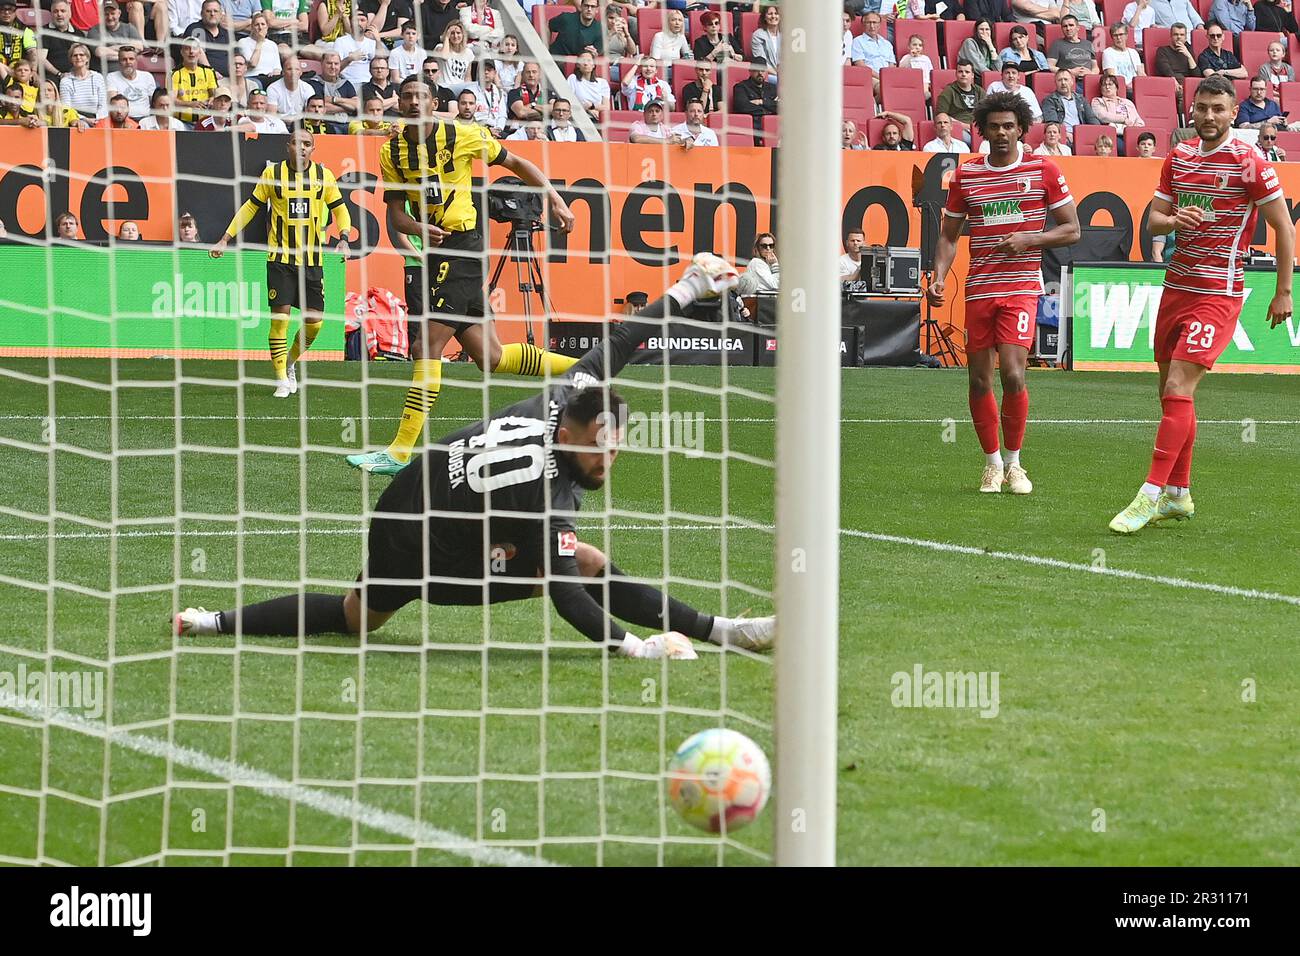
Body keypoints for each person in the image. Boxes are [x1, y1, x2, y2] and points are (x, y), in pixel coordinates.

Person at [177, 255, 776, 661]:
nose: (606, 463)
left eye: (614, 450)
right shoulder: (550, 498)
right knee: (576, 564)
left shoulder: (566, 395)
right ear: (568, 434)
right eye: (599, 450)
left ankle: (208, 621)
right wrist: (633, 648)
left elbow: (621, 342)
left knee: (358, 617)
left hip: (408, 496)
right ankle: (727, 631)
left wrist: (689, 287)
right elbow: (567, 595)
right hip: (432, 547)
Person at [346, 75, 580, 476]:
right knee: (490, 357)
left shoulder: (463, 135)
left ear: (434, 102)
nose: (413, 102)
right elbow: (395, 215)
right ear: (398, 104)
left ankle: (400, 452)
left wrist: (555, 200)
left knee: (425, 347)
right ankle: (585, 370)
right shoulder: (394, 152)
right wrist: (417, 229)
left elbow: (518, 163)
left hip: (465, 246)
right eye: (406, 97)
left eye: (421, 96)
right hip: (437, 250)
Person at [1109, 74, 1293, 533]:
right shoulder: (1179, 157)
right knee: (1172, 395)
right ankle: (1179, 494)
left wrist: (1283, 291)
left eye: (1218, 109)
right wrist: (1173, 218)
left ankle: (1148, 495)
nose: (1209, 116)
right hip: (1176, 287)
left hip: (1218, 292)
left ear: (1234, 113)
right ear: (1191, 110)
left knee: (1177, 386)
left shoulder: (1248, 162)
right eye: (1202, 108)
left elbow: (1284, 228)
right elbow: (1151, 222)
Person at [928, 90, 1081, 496]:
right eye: (994, 126)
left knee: (1013, 373)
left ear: (1021, 130)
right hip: (980, 288)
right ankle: (991, 464)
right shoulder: (966, 175)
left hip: (1021, 287)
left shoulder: (1044, 170)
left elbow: (1072, 229)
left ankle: (1015, 463)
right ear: (982, 130)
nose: (1001, 133)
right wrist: (939, 275)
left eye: (1009, 127)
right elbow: (948, 235)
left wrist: (1030, 239)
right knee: (979, 380)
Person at [212, 129, 355, 398]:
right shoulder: (272, 174)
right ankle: (280, 378)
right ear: (287, 146)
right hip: (280, 259)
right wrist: (225, 238)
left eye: (307, 144)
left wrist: (344, 237)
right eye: (296, 143)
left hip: (312, 259)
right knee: (280, 319)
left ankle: (290, 362)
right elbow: (251, 207)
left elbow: (340, 209)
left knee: (315, 322)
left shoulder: (323, 177)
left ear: (314, 149)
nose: (301, 148)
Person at [1041, 66, 1100, 144]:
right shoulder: (1049, 100)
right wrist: (1065, 134)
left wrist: (1096, 133)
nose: (1063, 83)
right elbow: (1052, 123)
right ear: (1055, 83)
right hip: (1062, 137)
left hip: (1082, 135)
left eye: (1066, 79)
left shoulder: (1081, 99)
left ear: (1072, 82)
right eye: (1059, 80)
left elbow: (1092, 119)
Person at [1155, 21, 1199, 116]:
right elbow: (1166, 70)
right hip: (1170, 83)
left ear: (1185, 37)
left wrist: (1189, 56)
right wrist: (1175, 82)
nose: (1179, 37)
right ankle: (1185, 123)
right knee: (1183, 94)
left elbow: (1197, 75)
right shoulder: (1162, 50)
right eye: (1176, 34)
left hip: (1187, 84)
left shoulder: (1188, 51)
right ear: (1170, 36)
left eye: (1182, 35)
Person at [1091, 71, 1144, 150]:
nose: (1107, 87)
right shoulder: (1097, 101)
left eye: (1110, 84)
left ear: (1116, 87)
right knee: (1124, 147)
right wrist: (1123, 119)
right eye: (1104, 85)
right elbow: (1103, 116)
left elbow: (1139, 120)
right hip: (1114, 134)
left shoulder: (1127, 102)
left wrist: (1134, 129)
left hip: (1131, 133)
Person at [86, 0, 142, 72]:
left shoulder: (129, 28)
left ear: (119, 13)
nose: (110, 17)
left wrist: (110, 49)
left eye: (113, 13)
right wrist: (127, 52)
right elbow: (100, 52)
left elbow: (139, 47)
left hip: (129, 73)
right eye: (106, 14)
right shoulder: (95, 30)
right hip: (105, 75)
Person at [1046, 14, 1099, 82]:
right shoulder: (1057, 44)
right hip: (1069, 82)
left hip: (1089, 81)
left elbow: (1095, 67)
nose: (1068, 28)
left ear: (1078, 28)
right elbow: (1049, 66)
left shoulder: (1088, 44)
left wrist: (1091, 73)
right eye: (1065, 26)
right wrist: (1069, 72)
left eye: (1071, 25)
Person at [936, 60, 984, 126]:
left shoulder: (980, 91)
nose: (963, 74)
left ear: (972, 75)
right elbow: (941, 115)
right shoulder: (948, 91)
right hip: (957, 127)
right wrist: (963, 125)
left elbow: (987, 112)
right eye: (960, 72)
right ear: (956, 74)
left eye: (967, 72)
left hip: (978, 127)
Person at [567, 49, 610, 121]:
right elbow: (568, 102)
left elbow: (606, 107)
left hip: (598, 117)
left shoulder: (602, 82)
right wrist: (588, 110)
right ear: (578, 65)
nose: (586, 63)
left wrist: (592, 106)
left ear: (593, 65)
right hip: (579, 116)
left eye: (589, 60)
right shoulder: (573, 79)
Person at [237, 11, 282, 79]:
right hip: (252, 77)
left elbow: (277, 68)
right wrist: (259, 42)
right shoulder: (243, 42)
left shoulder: (272, 45)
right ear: (252, 27)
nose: (260, 27)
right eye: (257, 24)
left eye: (263, 24)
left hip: (270, 77)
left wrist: (275, 73)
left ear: (267, 27)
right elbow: (253, 64)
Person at [898, 33, 934, 99]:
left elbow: (930, 72)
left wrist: (930, 83)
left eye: (920, 45)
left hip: (925, 83)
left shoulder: (926, 58)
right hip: (911, 83)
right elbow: (901, 68)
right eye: (914, 45)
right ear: (909, 46)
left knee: (925, 84)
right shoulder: (907, 57)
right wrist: (911, 57)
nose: (917, 47)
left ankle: (925, 95)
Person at [749, 4, 780, 74]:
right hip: (769, 74)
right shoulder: (758, 35)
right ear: (764, 17)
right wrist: (778, 76)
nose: (773, 16)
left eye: (776, 13)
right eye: (770, 14)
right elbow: (762, 62)